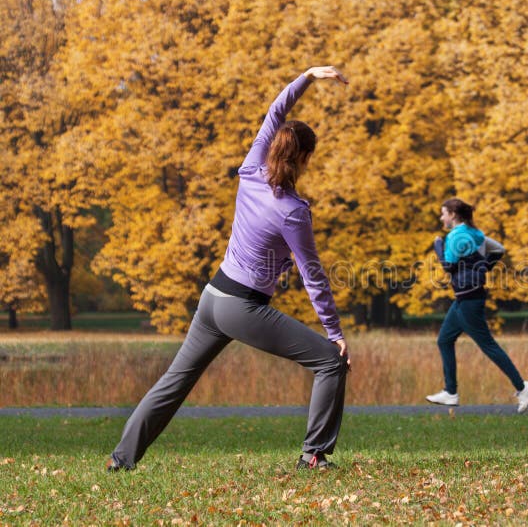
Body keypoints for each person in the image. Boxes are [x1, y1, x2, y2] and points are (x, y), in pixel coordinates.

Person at [106, 66, 351, 471]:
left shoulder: (251, 171)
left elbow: (274, 113)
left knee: (174, 382)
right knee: (330, 360)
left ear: (273, 148)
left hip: (212, 297)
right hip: (243, 307)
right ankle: (314, 454)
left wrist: (307, 76)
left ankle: (121, 459)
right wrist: (335, 333)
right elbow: (314, 277)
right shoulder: (293, 212)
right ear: (305, 159)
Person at [425, 198, 528, 413]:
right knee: (444, 340)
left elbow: (448, 266)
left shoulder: (455, 236)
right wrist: (484, 266)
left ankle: (523, 387)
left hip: (469, 299)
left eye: (443, 213)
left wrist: (438, 246)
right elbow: (499, 249)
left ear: (453, 215)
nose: (442, 218)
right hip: (466, 297)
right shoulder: (475, 233)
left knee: (488, 345)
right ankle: (450, 392)